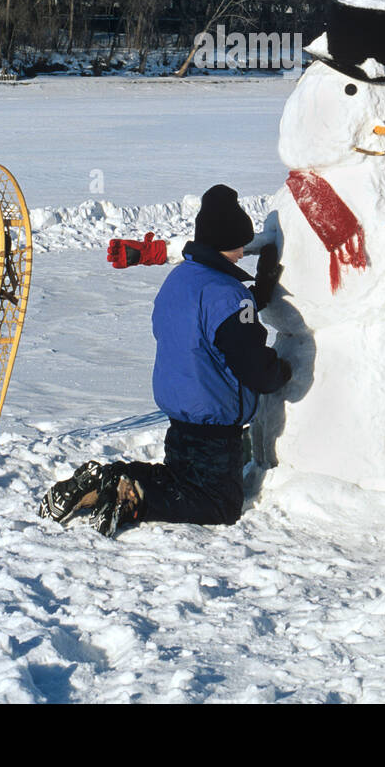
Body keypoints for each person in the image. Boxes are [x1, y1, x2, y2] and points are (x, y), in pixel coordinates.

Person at [38, 185, 290, 536]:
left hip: (182, 416)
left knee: (180, 480)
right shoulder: (226, 294)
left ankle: (113, 479)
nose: (242, 253)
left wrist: (254, 299)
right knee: (220, 503)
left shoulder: (181, 280)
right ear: (228, 241)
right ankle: (133, 495)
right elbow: (254, 366)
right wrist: (283, 371)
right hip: (215, 426)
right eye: (240, 244)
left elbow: (204, 328)